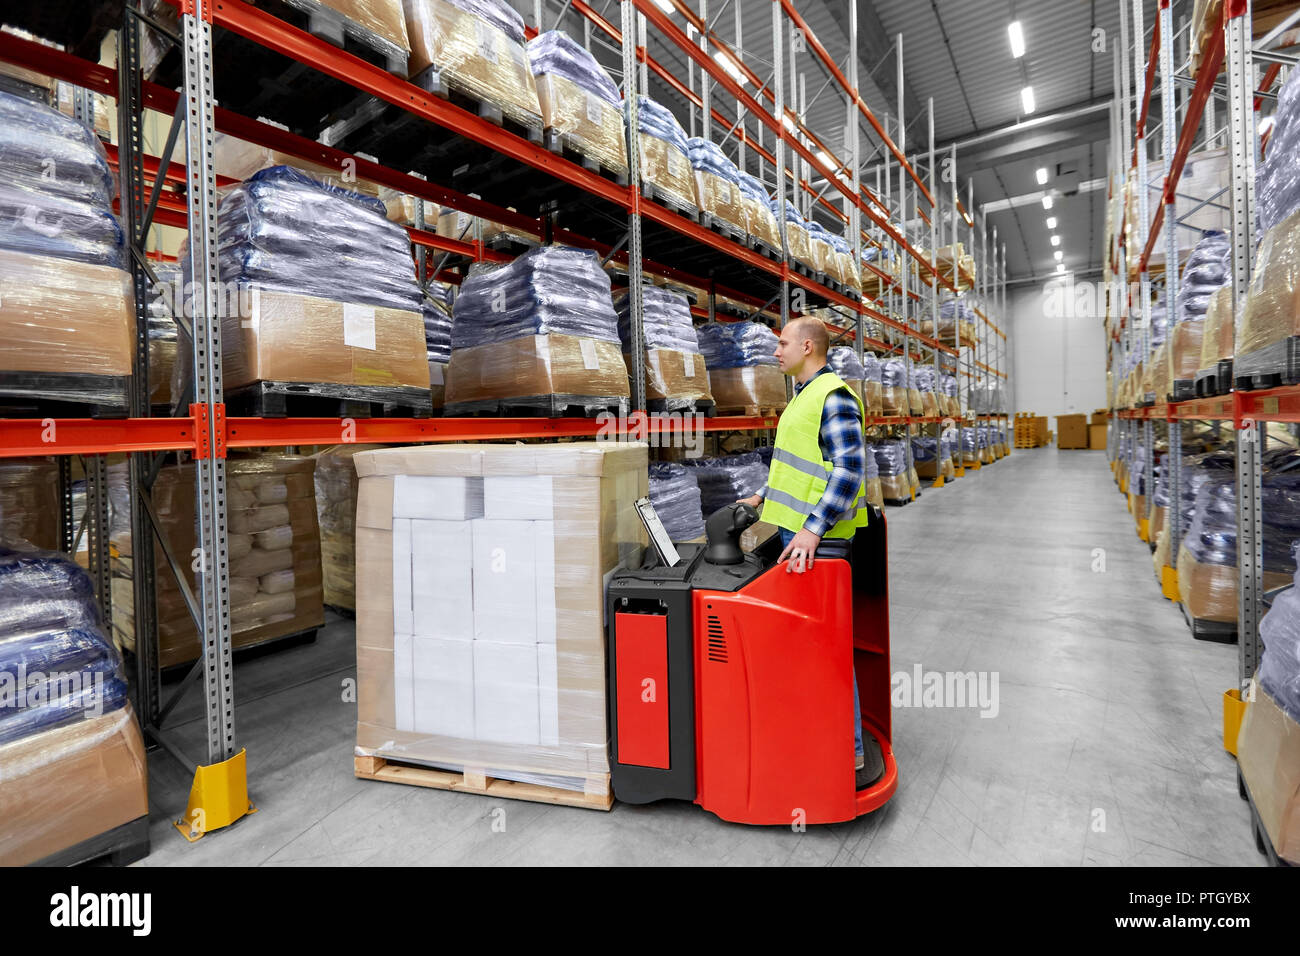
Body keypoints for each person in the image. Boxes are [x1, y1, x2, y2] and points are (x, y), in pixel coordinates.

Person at [737, 316, 883, 790]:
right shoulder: (803, 396)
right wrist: (763, 495)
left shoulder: (834, 396)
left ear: (806, 346)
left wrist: (813, 531)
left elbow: (847, 472)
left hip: (819, 543)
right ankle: (817, 738)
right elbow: (799, 464)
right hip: (797, 536)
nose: (775, 352)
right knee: (805, 646)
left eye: (781, 344)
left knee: (826, 650)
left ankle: (849, 754)